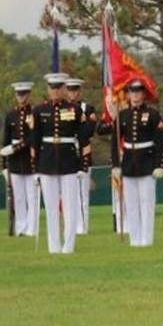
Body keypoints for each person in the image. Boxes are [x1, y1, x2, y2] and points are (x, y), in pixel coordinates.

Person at [100, 79, 163, 246]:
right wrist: (115, 165)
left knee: (147, 203)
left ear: (143, 94)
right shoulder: (123, 115)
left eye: (138, 92)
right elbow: (116, 143)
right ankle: (135, 240)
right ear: (127, 95)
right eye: (132, 92)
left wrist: (159, 164)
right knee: (131, 205)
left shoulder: (153, 114)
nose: (135, 95)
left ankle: (147, 239)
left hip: (147, 162)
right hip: (129, 162)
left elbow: (160, 142)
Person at [31, 72, 89, 254]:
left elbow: (84, 139)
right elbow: (34, 140)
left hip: (69, 161)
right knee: (50, 207)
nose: (55, 91)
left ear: (64, 88)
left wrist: (83, 165)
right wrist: (35, 169)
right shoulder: (39, 111)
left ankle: (69, 246)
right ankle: (53, 246)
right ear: (48, 89)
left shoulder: (75, 110)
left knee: (70, 206)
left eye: (59, 88)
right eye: (52, 88)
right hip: (47, 162)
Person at [0, 81, 40, 237]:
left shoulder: (34, 113)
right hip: (15, 162)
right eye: (19, 94)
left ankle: (32, 228)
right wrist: (4, 165)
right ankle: (21, 227)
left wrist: (15, 148)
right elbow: (5, 141)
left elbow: (33, 137)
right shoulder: (11, 115)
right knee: (19, 197)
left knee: (32, 196)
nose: (21, 97)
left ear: (29, 95)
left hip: (29, 159)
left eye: (24, 94)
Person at [65, 78, 98, 234]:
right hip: (68, 152)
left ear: (80, 91)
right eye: (70, 90)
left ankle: (82, 227)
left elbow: (89, 131)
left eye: (76, 90)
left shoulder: (88, 108)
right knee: (68, 194)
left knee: (82, 193)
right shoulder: (63, 108)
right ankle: (71, 225)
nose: (73, 94)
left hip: (83, 151)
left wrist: (81, 124)